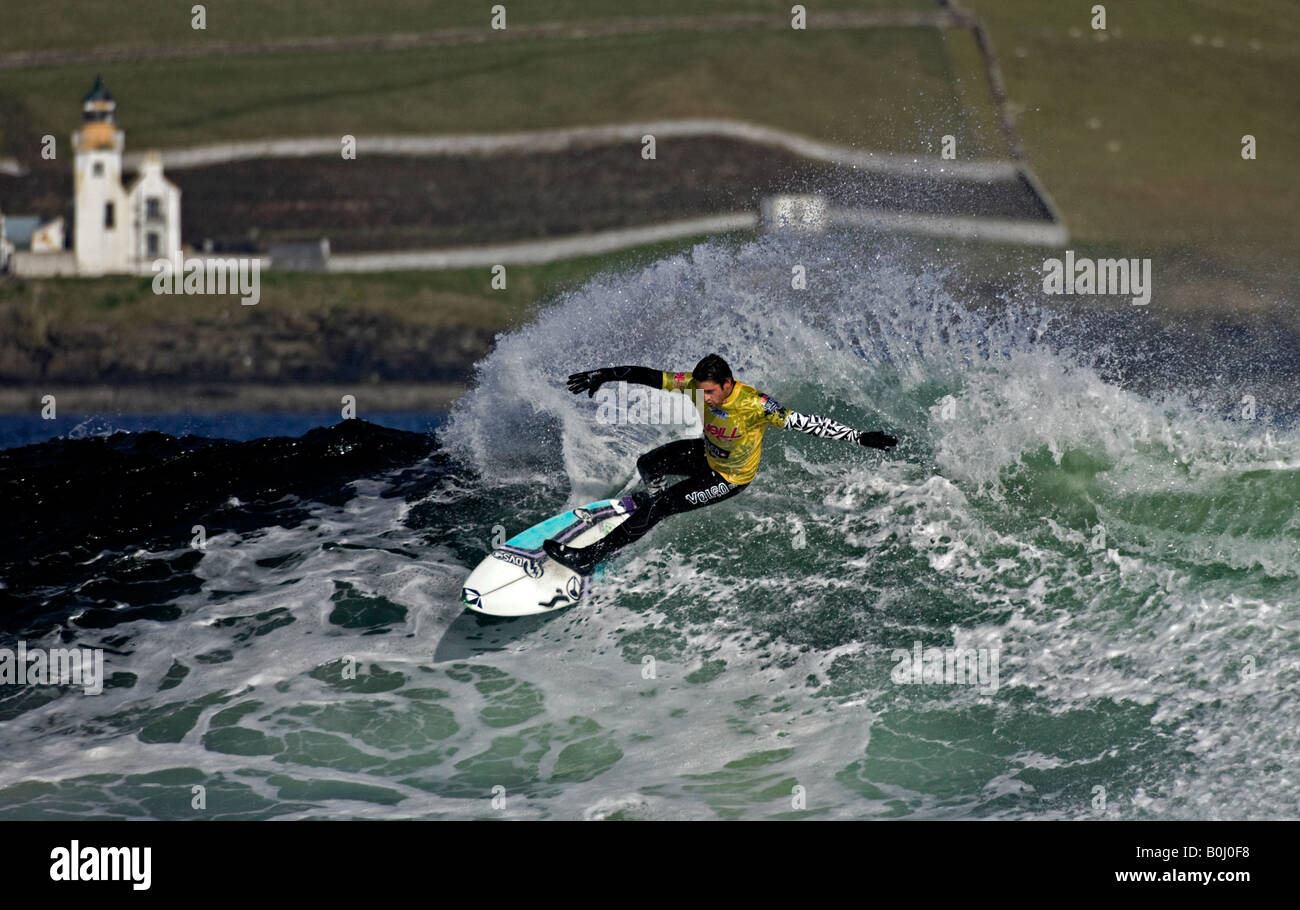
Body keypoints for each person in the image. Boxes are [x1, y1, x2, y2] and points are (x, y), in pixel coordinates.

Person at [542, 353, 897, 575]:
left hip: (728, 477)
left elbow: (805, 423)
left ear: (727, 384)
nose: (705, 397)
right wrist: (604, 374)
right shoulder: (697, 386)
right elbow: (652, 376)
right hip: (708, 452)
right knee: (648, 463)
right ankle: (654, 504)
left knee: (663, 507)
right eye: (701, 391)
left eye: (711, 392)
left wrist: (860, 437)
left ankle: (590, 557)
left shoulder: (757, 405)